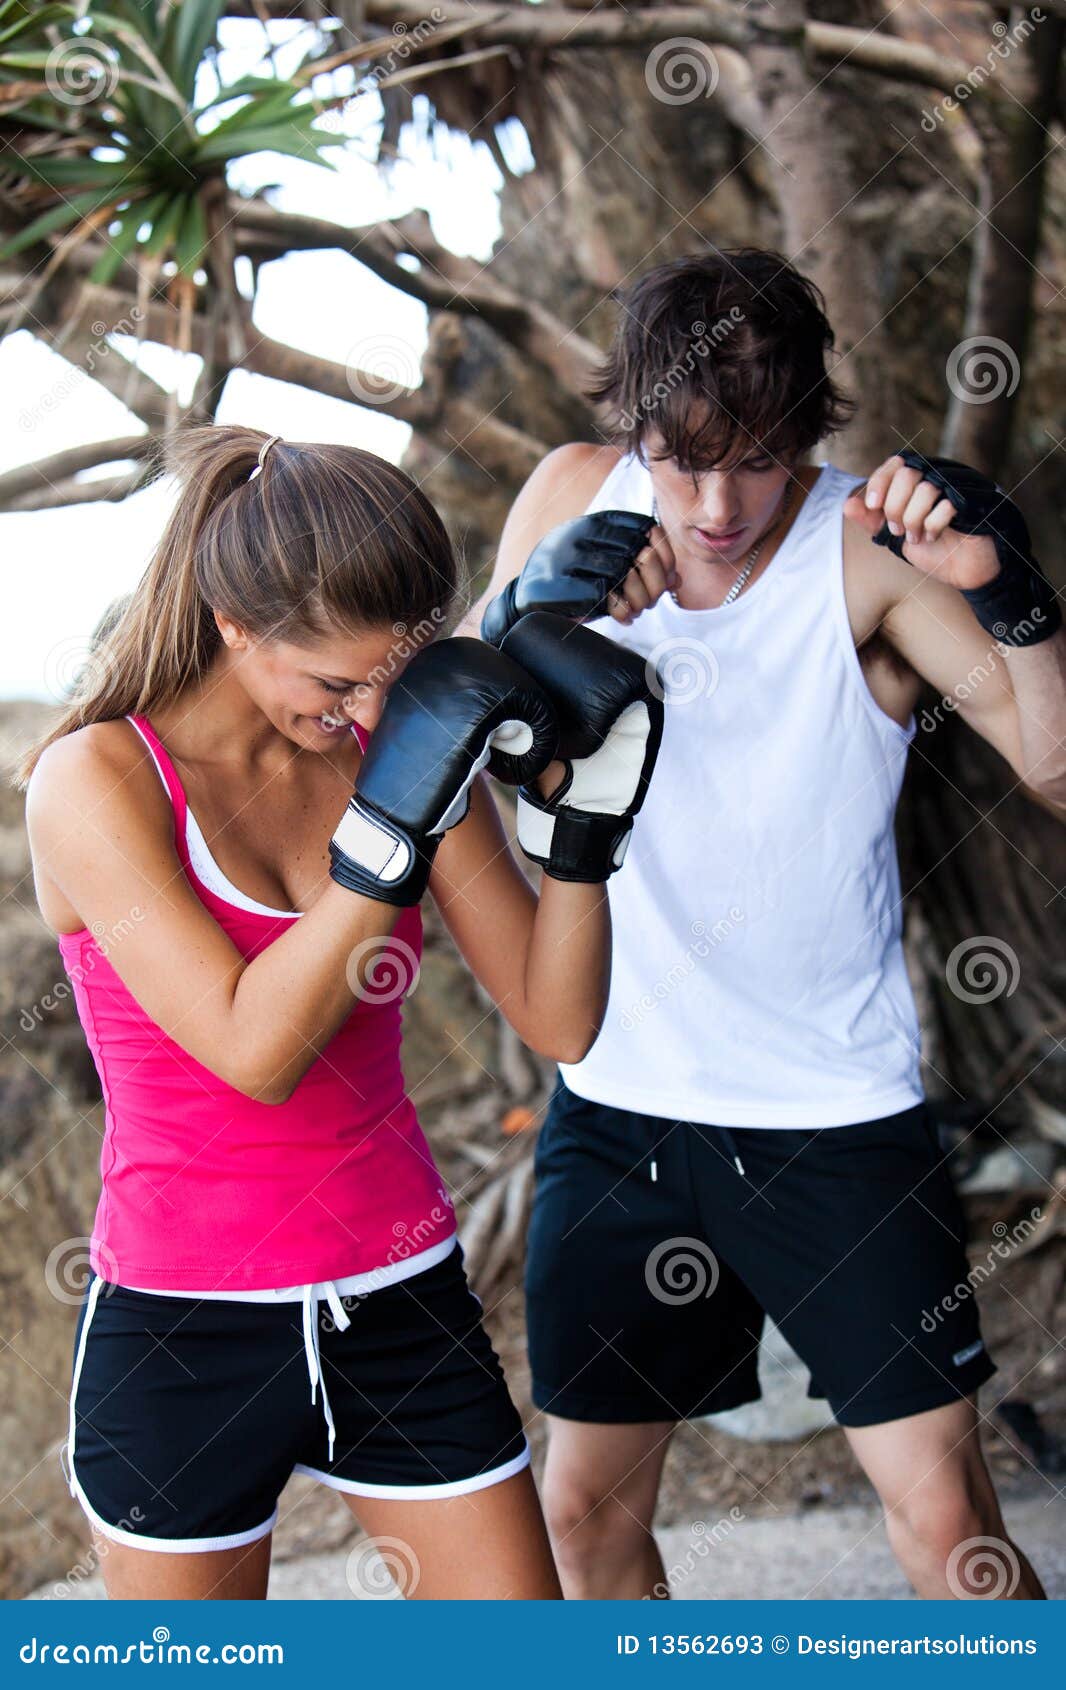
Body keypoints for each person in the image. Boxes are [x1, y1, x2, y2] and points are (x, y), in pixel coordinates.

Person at [469, 248, 1064, 1600]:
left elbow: (1052, 768)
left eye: (756, 459)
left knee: (943, 1524)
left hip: (831, 1116)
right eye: (681, 461)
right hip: (616, 1103)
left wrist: (1008, 592)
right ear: (632, 424)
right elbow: (439, 736)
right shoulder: (569, 494)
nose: (716, 504)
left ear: (808, 427)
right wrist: (526, 620)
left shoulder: (866, 548)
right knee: (581, 1521)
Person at [18, 424, 662, 1601]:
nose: (366, 705)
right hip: (182, 1329)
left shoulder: (394, 746)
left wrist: (585, 838)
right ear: (234, 623)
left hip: (400, 1300)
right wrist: (385, 837)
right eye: (336, 680)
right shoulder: (95, 779)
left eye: (391, 674)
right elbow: (251, 1050)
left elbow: (557, 1018)